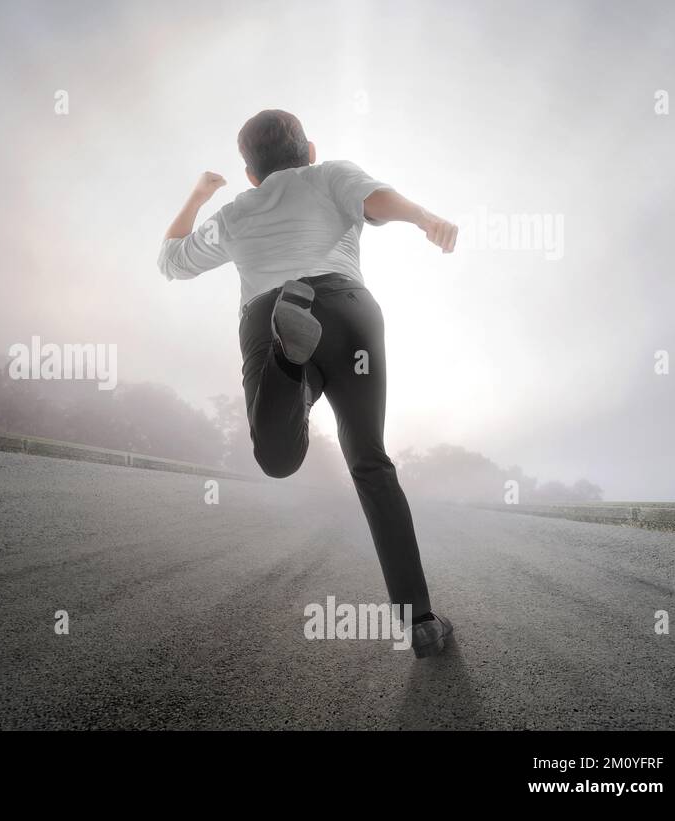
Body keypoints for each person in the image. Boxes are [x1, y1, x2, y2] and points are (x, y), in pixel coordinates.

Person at [157, 109, 457, 658]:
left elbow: (171, 262)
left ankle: (289, 362)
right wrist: (422, 217)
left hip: (271, 309)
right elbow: (378, 200)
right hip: (349, 311)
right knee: (370, 462)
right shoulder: (330, 175)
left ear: (250, 174)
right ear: (310, 150)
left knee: (277, 457)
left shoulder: (236, 210)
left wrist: (199, 195)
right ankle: (421, 622)